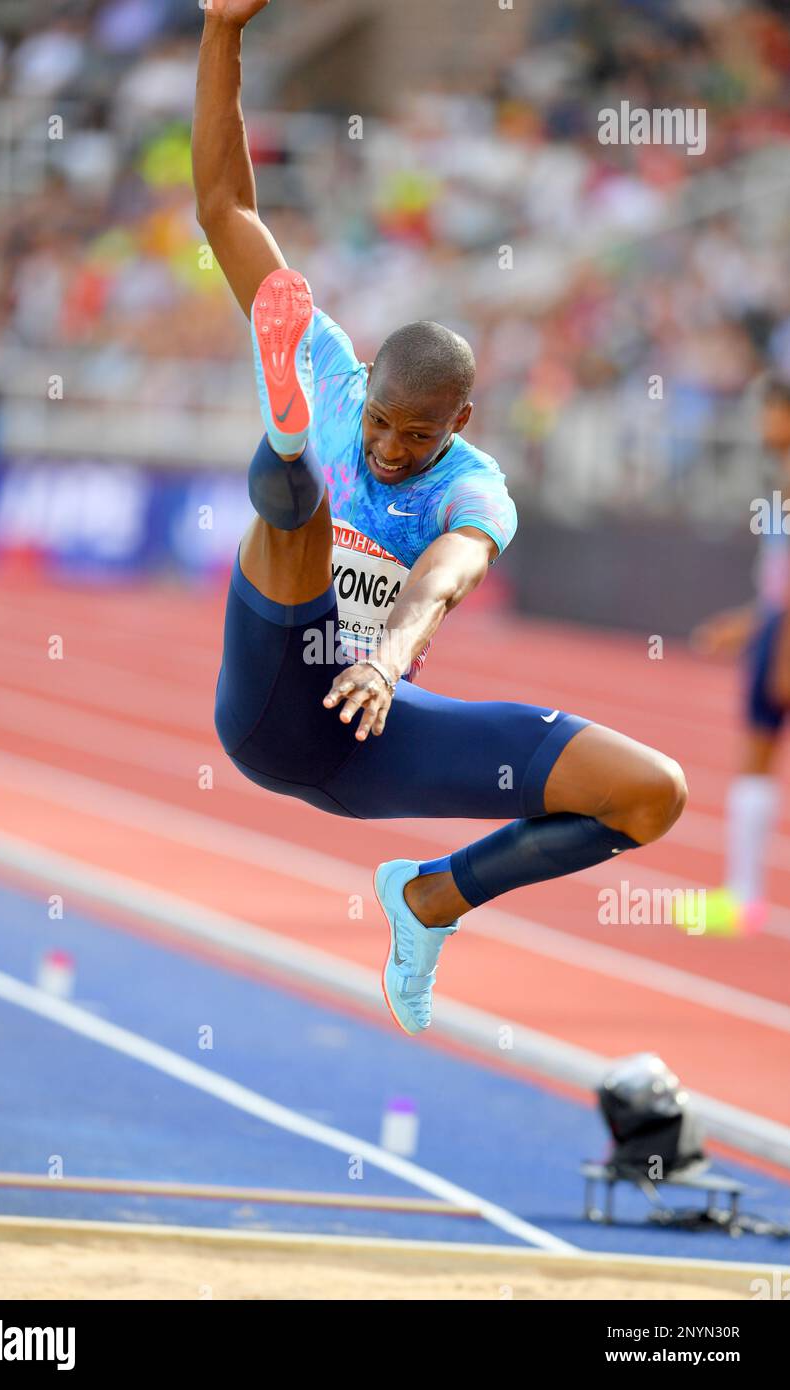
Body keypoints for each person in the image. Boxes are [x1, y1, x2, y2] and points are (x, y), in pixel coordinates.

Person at [194, 0, 687, 1034]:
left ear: (454, 421)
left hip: (370, 732)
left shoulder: (472, 486)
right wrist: (222, 29)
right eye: (376, 422)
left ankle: (427, 902)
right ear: (362, 382)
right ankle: (284, 454)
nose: (386, 445)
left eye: (413, 435)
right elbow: (222, 207)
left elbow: (446, 573)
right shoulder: (329, 369)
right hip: (271, 696)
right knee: (298, 517)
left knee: (650, 792)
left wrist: (390, 659)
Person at [688, 379, 790, 936]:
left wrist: (778, 638)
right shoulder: (778, 480)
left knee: (757, 752)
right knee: (754, 759)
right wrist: (750, 622)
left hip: (785, 632)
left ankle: (744, 897)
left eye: (771, 413)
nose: (761, 424)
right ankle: (742, 896)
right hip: (775, 622)